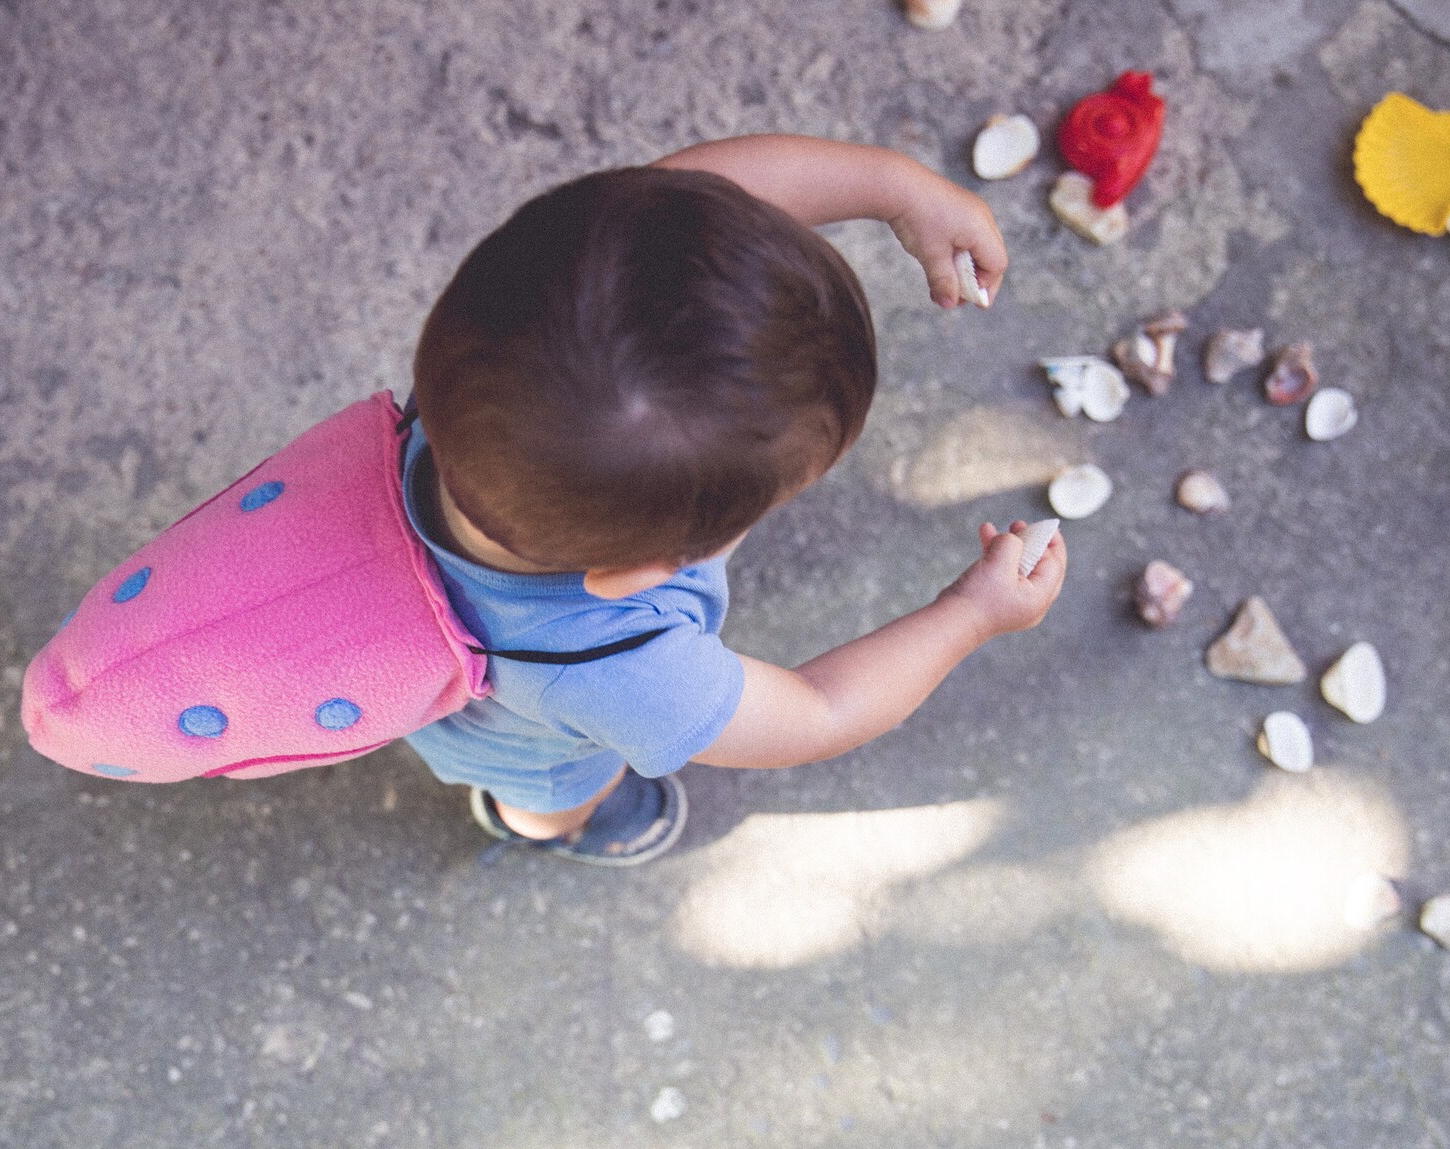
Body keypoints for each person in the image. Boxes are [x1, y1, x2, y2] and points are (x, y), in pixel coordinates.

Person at [399, 134, 1066, 864]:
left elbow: (665, 205)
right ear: (643, 574)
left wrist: (895, 187)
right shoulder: (626, 668)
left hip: (378, 597)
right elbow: (820, 709)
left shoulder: (484, 374)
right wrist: (970, 615)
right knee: (550, 790)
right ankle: (540, 826)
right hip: (513, 738)